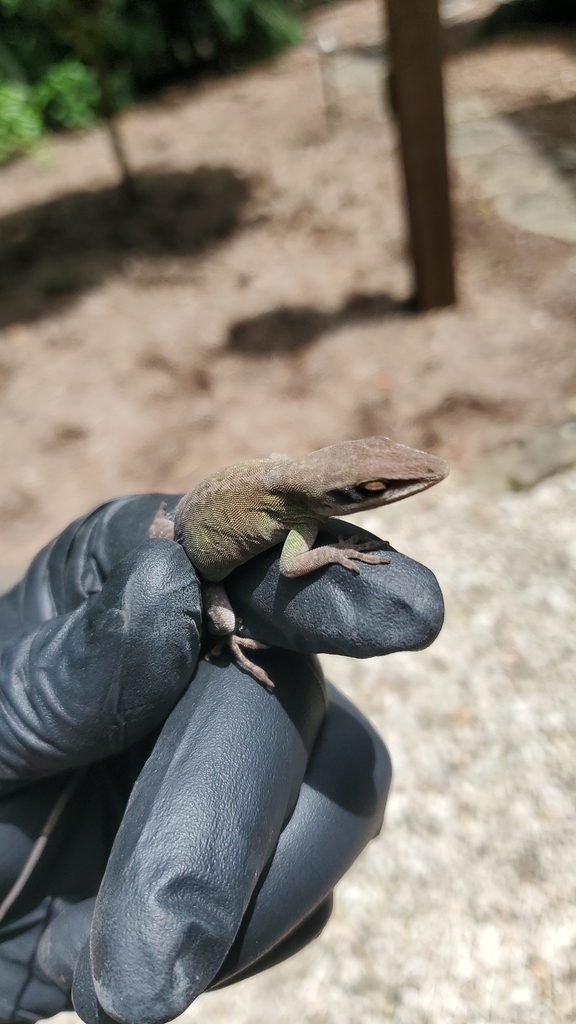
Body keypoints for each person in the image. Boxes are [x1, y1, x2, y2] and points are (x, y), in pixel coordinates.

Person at [0, 493, 444, 1024]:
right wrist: (337, 550)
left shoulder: (292, 504)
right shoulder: (297, 515)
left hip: (173, 560)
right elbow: (292, 564)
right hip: (189, 580)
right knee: (229, 632)